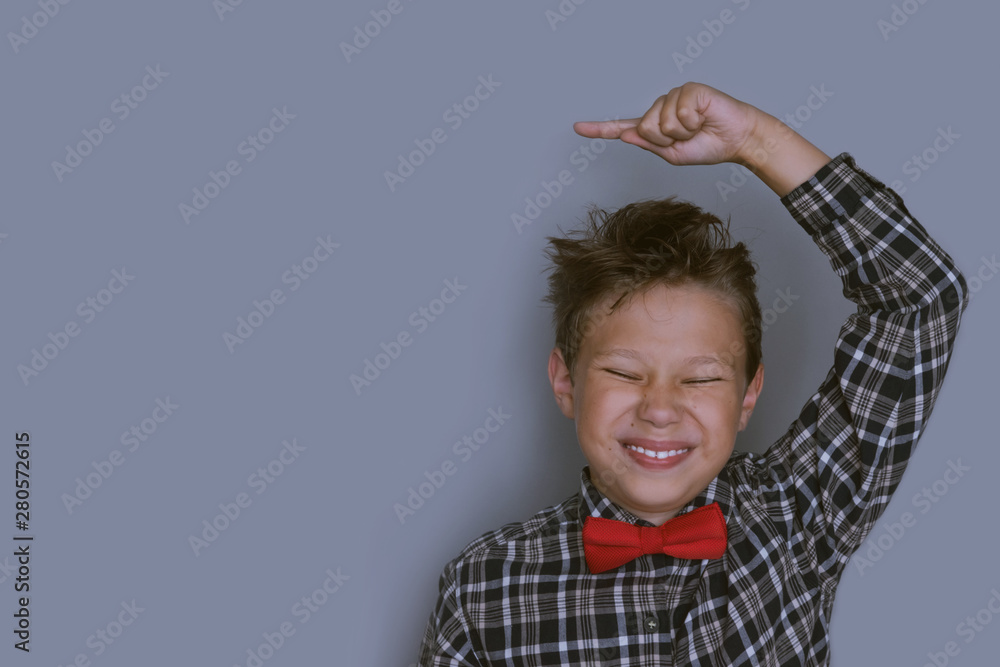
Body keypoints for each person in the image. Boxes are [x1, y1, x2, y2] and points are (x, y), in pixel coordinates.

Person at [417, 82, 968, 665]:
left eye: (701, 378)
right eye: (625, 373)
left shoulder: (798, 513)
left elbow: (921, 297)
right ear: (566, 382)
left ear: (748, 394)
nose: (660, 408)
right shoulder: (483, 586)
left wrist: (757, 140)